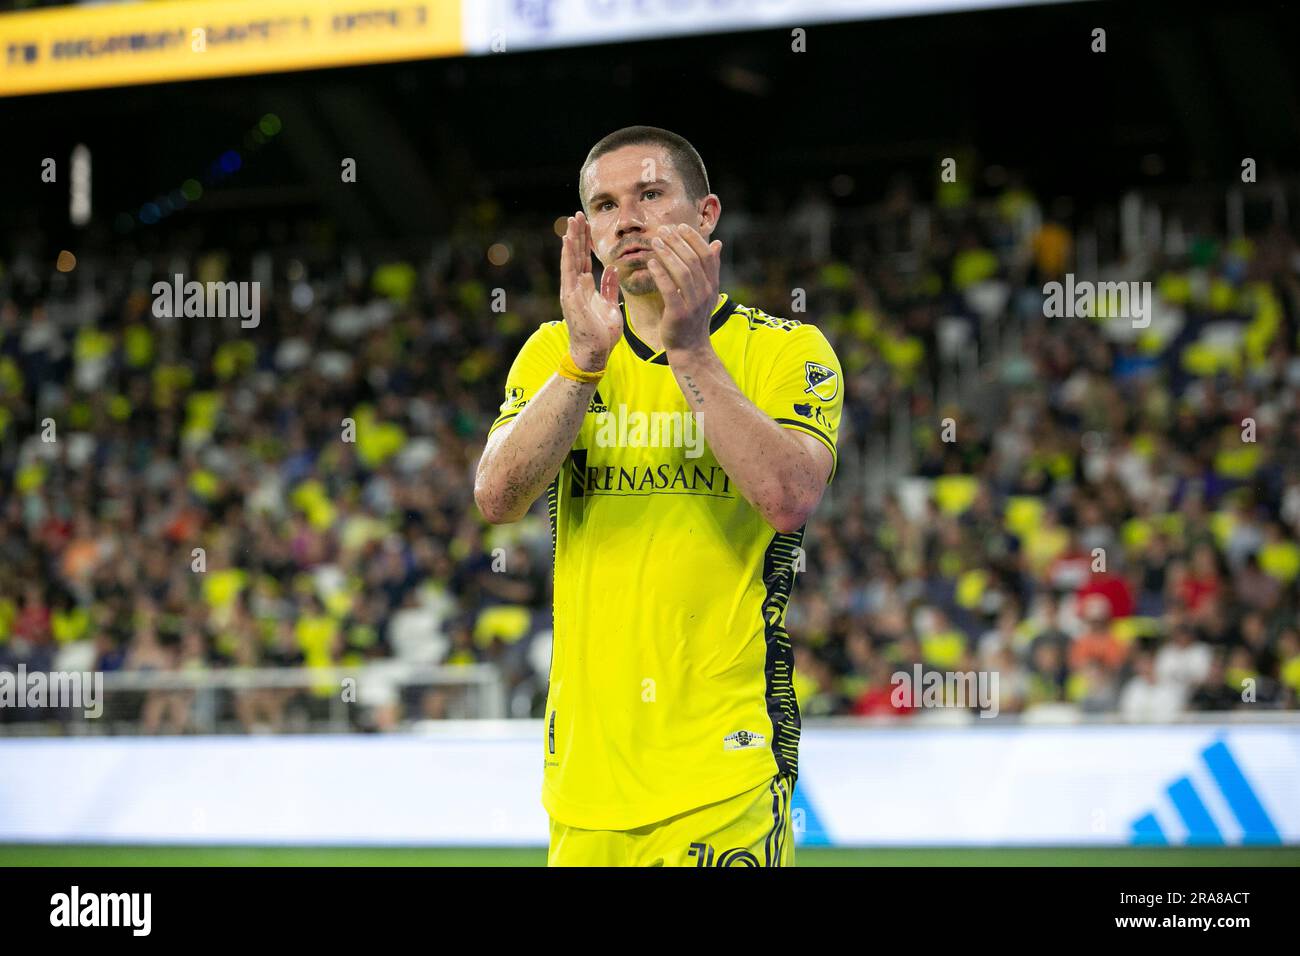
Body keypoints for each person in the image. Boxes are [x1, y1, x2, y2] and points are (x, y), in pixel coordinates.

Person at [475, 126, 843, 867]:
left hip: (723, 769)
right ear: (588, 231)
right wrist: (583, 364)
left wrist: (690, 349)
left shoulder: (786, 349)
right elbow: (497, 497)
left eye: (650, 194)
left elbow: (787, 497)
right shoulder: (557, 351)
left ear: (705, 215)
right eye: (605, 205)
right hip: (585, 780)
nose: (628, 219)